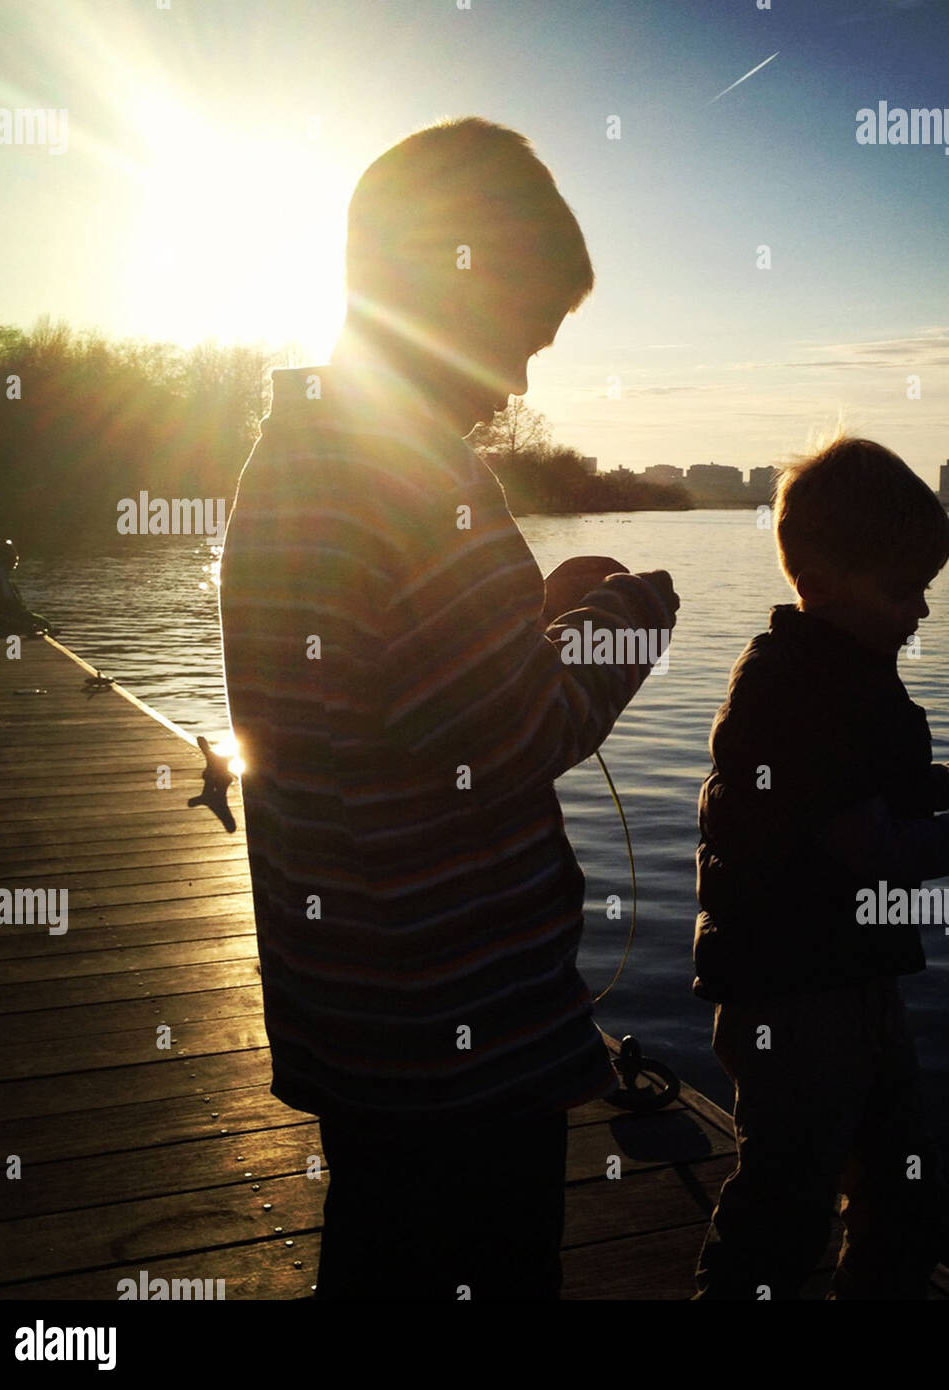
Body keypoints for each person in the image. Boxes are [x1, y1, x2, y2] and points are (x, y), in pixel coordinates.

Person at [218, 117, 677, 1300]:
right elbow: (524, 735)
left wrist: (544, 629)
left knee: (377, 1258)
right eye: (523, 335)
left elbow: (416, 703)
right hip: (458, 1022)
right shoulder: (418, 474)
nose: (522, 379)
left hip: (355, 1004)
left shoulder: (296, 455)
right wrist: (630, 620)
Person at [691, 435, 949, 1299]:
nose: (921, 612)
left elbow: (860, 797)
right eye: (904, 590)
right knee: (784, 1209)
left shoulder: (847, 672)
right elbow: (867, 851)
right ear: (823, 574)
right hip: (793, 998)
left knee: (901, 1193)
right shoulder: (786, 689)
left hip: (857, 985)